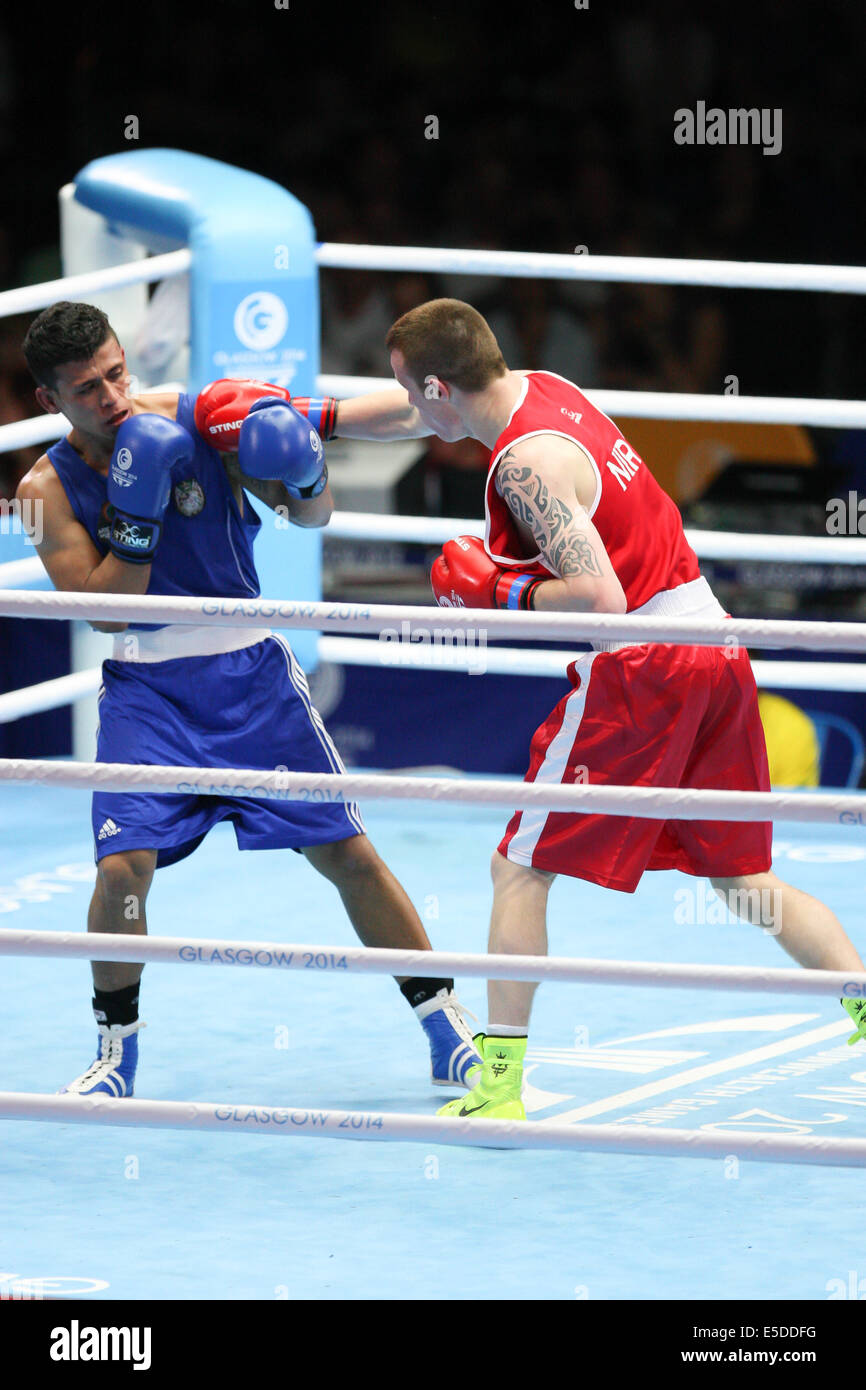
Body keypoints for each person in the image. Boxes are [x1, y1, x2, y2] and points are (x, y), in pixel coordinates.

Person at [330, 297, 866, 1120]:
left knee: (519, 867)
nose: (404, 401)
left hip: (643, 663)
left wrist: (496, 589)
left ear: (442, 384)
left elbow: (602, 599)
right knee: (742, 878)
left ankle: (500, 1086)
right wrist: (318, 418)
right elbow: (411, 417)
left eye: (409, 387)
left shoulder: (522, 467)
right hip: (713, 644)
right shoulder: (543, 385)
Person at [16, 301, 482, 1098]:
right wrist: (138, 510)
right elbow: (104, 609)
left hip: (250, 677)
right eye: (87, 389)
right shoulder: (41, 491)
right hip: (148, 691)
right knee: (122, 870)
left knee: (347, 854)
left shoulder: (198, 419)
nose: (112, 397)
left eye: (117, 373)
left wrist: (306, 472)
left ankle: (445, 1029)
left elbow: (312, 512)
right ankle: (116, 1055)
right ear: (49, 401)